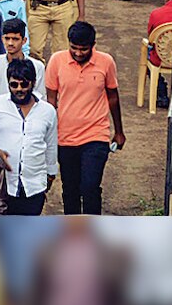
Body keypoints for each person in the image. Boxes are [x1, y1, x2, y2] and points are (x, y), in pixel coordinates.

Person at [46, 21, 125, 215]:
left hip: (96, 135)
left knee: (90, 187)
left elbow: (113, 97)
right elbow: (50, 102)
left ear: (93, 45)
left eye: (84, 49)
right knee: (70, 190)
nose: (79, 53)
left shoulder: (106, 62)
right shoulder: (56, 61)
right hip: (65, 137)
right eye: (74, 48)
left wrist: (119, 132)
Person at [0, 58, 58, 214]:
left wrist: (50, 175)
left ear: (33, 83)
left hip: (34, 186)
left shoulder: (48, 111)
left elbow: (50, 145)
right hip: (3, 185)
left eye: (24, 84)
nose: (19, 89)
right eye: (14, 85)